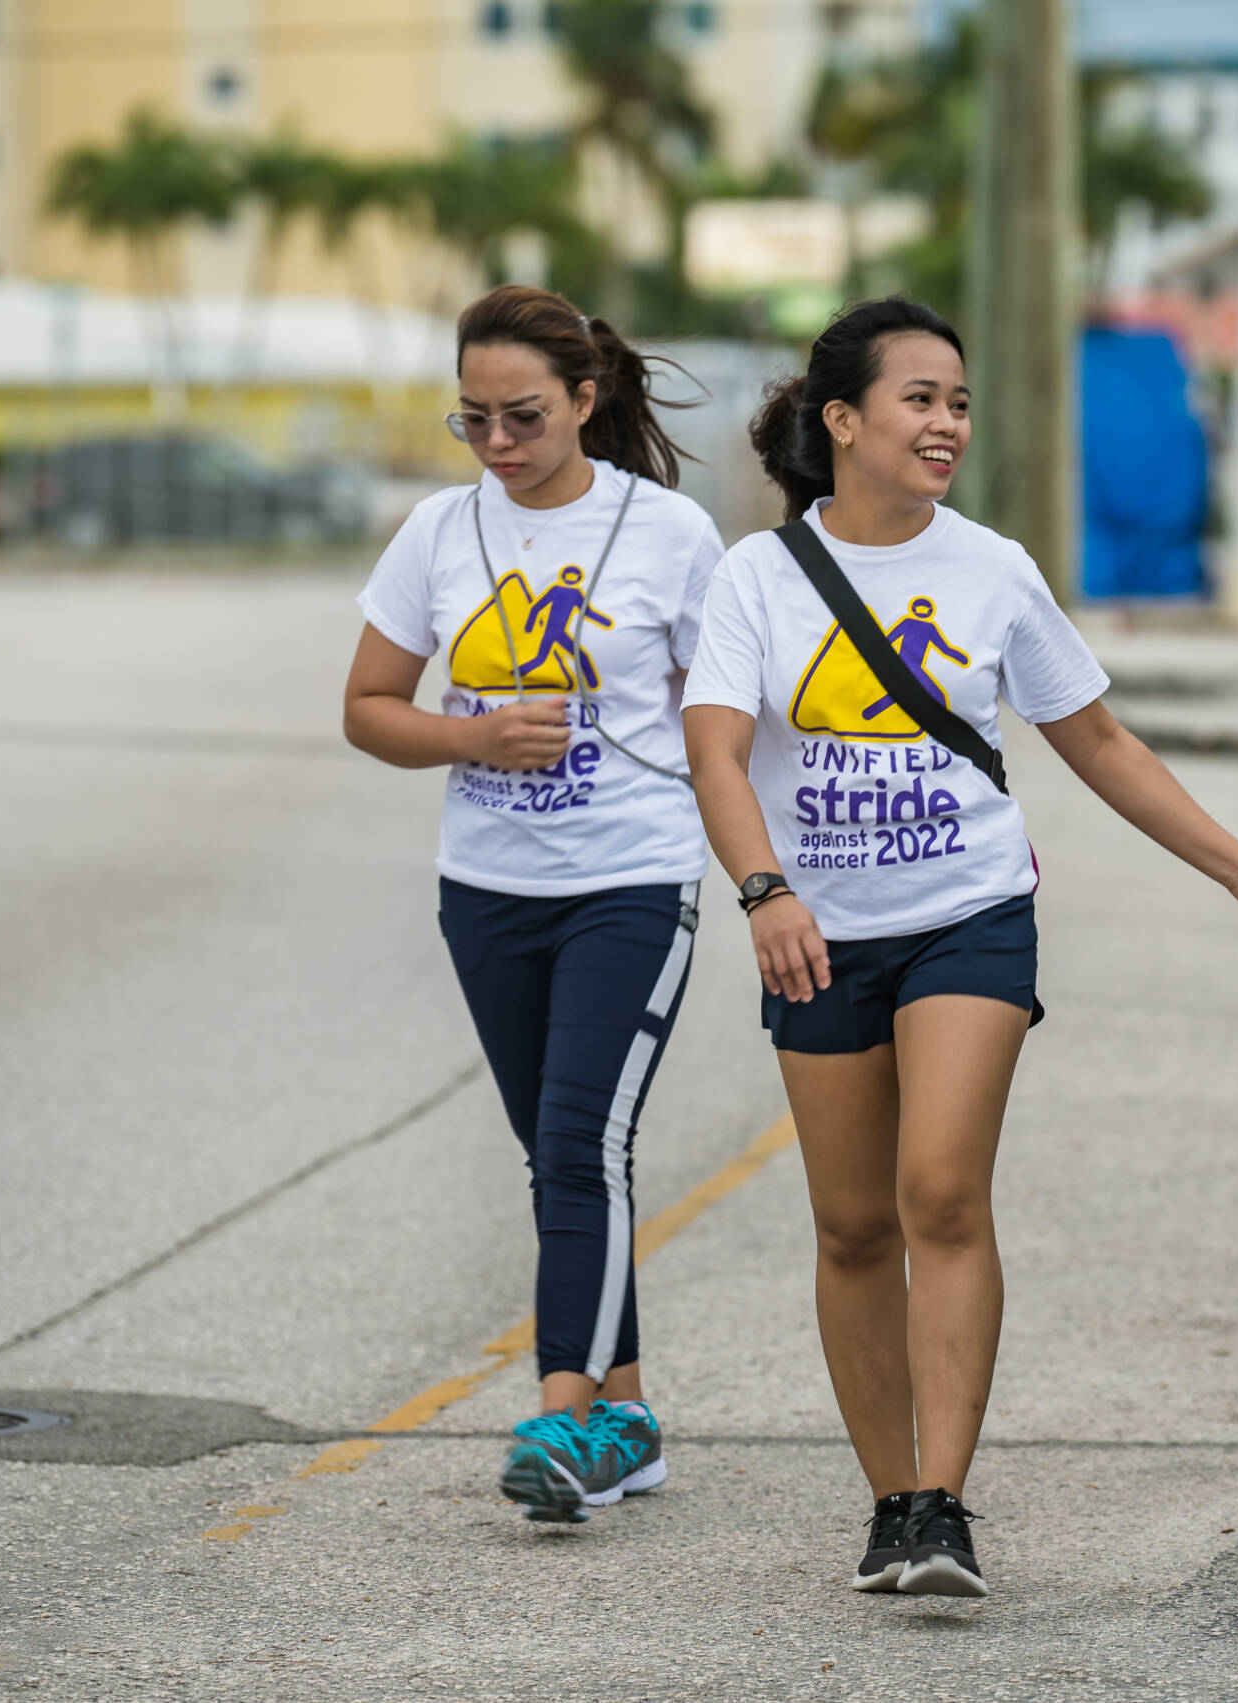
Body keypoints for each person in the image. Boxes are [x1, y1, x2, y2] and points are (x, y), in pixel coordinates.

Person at [680, 295, 1238, 1599]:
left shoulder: (994, 568)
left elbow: (1099, 743)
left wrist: (1234, 859)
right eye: (920, 398)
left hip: (968, 914)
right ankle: (886, 1498)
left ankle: (944, 1500)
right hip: (816, 933)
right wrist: (764, 891)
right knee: (854, 1225)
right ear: (843, 418)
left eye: (959, 402)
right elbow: (716, 747)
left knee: (940, 1190)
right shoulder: (758, 575)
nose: (948, 424)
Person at [341, 285, 724, 1525]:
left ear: (583, 401)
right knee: (564, 1159)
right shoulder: (440, 531)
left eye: (521, 418)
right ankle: (629, 1415)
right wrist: (473, 734)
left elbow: (727, 721)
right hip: (489, 891)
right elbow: (369, 706)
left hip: (633, 875)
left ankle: (564, 1416)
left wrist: (776, 879)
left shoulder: (669, 533)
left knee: (578, 1145)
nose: (498, 446)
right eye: (474, 422)